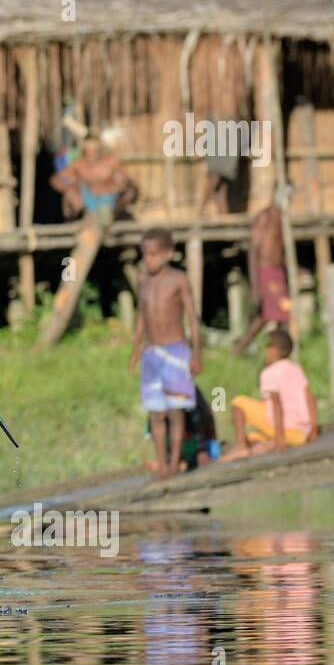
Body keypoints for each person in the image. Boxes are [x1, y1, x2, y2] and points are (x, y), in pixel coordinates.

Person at [130, 227, 202, 479]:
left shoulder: (179, 280)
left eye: (153, 254)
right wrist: (135, 350)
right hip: (152, 354)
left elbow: (192, 318)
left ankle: (174, 463)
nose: (149, 260)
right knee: (156, 413)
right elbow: (141, 318)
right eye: (145, 255)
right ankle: (161, 463)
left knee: (176, 412)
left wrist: (196, 354)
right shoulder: (144, 282)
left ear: (169, 254)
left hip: (175, 352)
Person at [222, 329, 319, 459]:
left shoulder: (269, 372)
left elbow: (277, 404)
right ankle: (265, 444)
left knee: (238, 402)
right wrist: (313, 428)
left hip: (283, 431)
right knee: (253, 438)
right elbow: (310, 398)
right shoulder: (295, 368)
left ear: (273, 350)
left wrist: (280, 438)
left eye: (264, 348)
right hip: (300, 435)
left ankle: (241, 447)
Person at [233, 192, 292, 355]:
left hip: (277, 272)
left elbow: (279, 252)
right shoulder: (265, 217)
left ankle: (245, 349)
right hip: (266, 273)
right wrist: (255, 284)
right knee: (282, 313)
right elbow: (253, 249)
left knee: (267, 316)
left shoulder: (282, 217)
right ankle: (278, 352)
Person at [51, 135, 137, 222]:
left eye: (94, 150)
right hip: (89, 200)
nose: (91, 153)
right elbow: (56, 179)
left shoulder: (110, 161)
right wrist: (70, 189)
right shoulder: (79, 164)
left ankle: (114, 214)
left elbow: (126, 179)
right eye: (88, 150)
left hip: (110, 198)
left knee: (128, 190)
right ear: (84, 150)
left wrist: (119, 186)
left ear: (100, 150)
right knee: (70, 192)